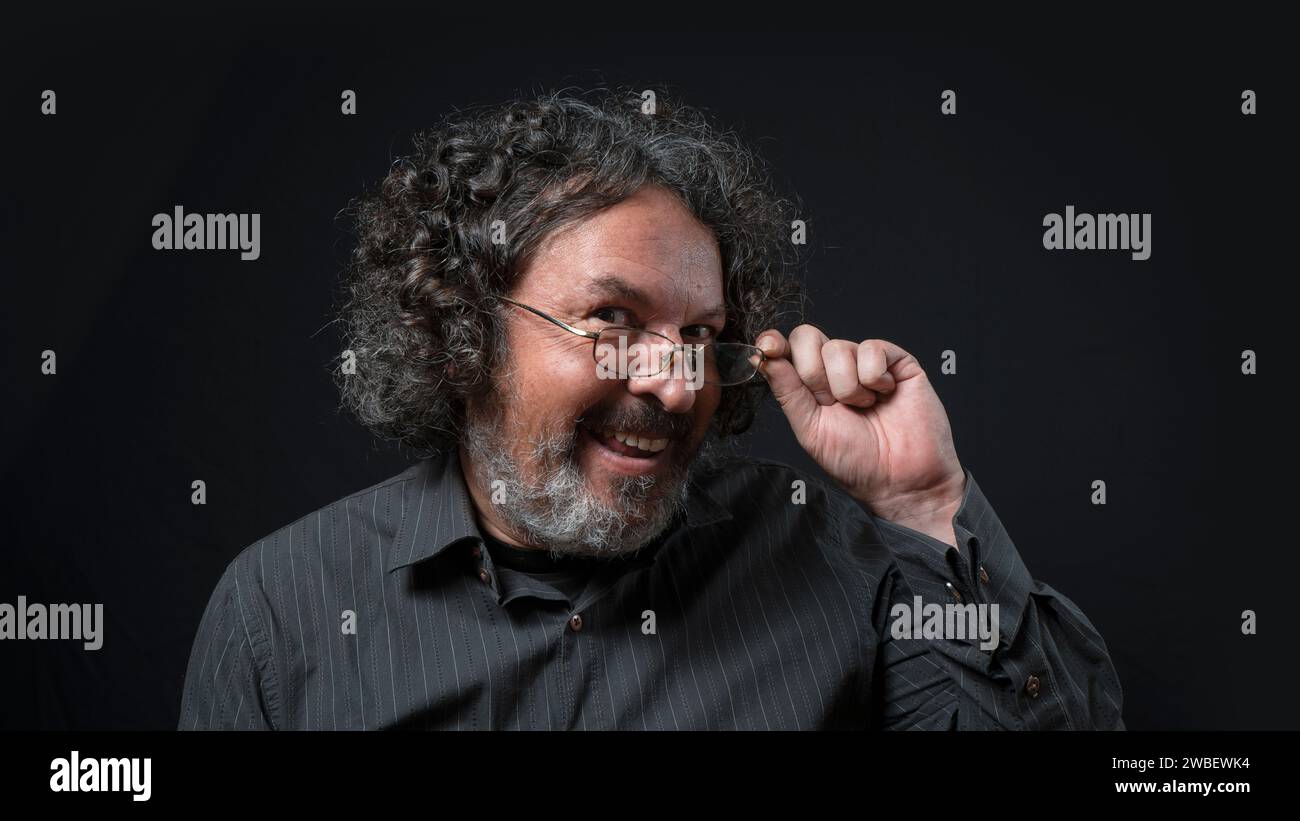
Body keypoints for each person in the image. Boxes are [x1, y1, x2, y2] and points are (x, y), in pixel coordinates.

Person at [179, 88, 1123, 730]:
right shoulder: (280, 612)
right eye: (613, 319)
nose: (675, 384)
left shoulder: (835, 558)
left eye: (698, 335)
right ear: (466, 328)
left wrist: (925, 508)